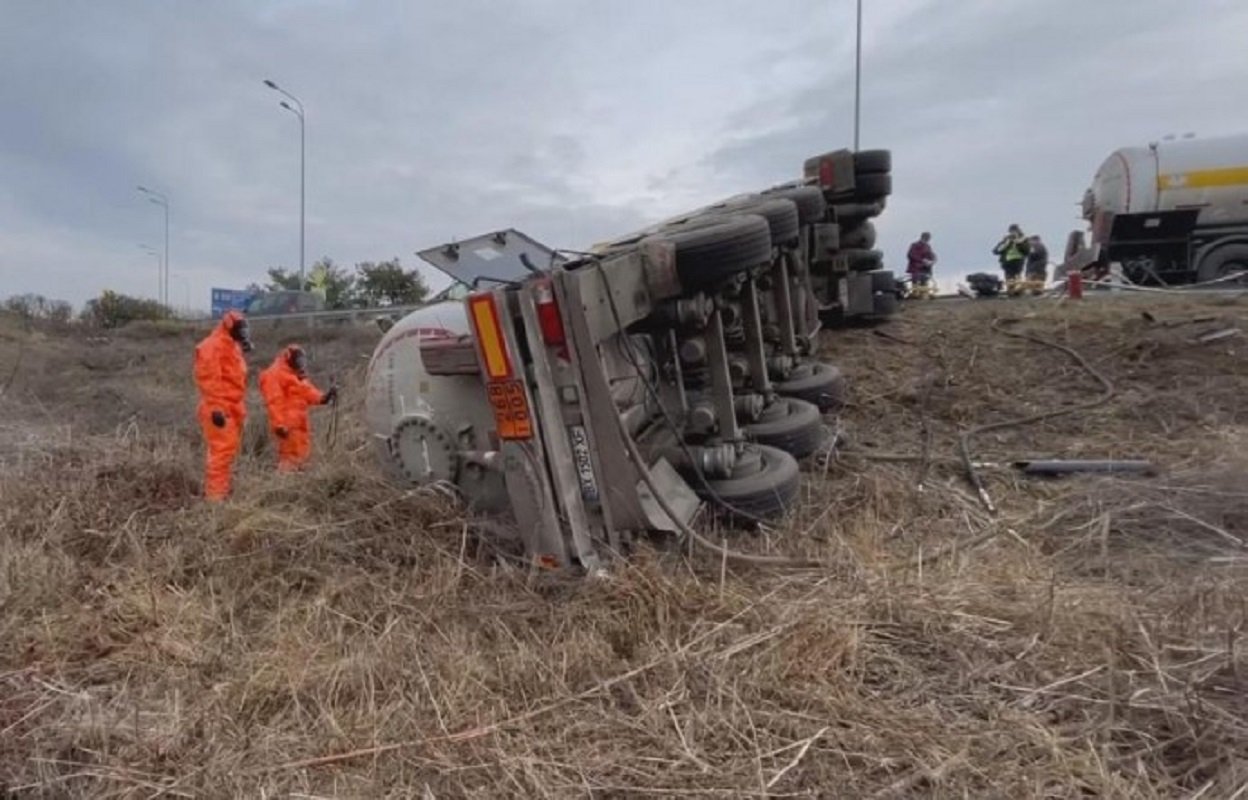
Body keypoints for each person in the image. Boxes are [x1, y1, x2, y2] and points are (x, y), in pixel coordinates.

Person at [194, 310, 252, 500]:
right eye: (241, 330)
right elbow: (209, 380)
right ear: (230, 327)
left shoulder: (232, 346)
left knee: (227, 452)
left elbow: (233, 378)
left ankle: (222, 491)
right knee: (220, 453)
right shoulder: (212, 347)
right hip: (218, 409)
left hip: (232, 407)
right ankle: (215, 499)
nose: (244, 334)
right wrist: (216, 409)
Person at [258, 344, 337, 472]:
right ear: (290, 358)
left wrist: (324, 398)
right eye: (299, 361)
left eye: (303, 361)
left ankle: (300, 483)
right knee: (289, 460)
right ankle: (286, 486)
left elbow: (307, 392)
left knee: (303, 458)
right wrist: (279, 425)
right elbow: (273, 402)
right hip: (287, 427)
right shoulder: (274, 374)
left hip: (300, 425)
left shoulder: (295, 375)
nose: (302, 364)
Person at [992, 224, 1030, 296]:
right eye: (1011, 231)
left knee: (1017, 278)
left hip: (1018, 262)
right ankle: (1010, 292)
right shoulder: (1007, 239)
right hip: (1007, 262)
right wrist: (1005, 243)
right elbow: (995, 251)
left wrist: (1018, 242)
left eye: (1014, 231)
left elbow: (1027, 251)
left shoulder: (1023, 239)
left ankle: (1018, 292)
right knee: (1009, 278)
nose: (1012, 233)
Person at [906, 232, 937, 299]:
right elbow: (910, 255)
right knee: (916, 282)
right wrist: (922, 260)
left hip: (925, 269)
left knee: (924, 281)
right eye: (927, 238)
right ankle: (915, 294)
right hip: (916, 268)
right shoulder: (914, 245)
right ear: (923, 237)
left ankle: (924, 294)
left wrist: (932, 261)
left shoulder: (928, 246)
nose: (928, 240)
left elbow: (931, 255)